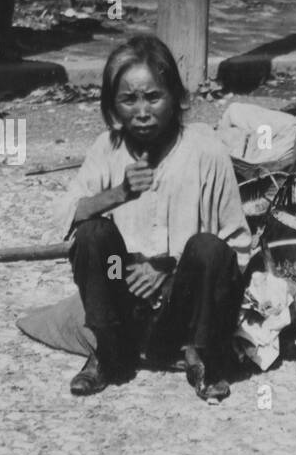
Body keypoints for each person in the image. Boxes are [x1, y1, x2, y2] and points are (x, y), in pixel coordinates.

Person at [54, 36, 252, 399]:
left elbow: (237, 247)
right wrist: (119, 194)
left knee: (209, 249)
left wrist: (171, 271)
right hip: (125, 291)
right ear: (113, 106)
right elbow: (69, 213)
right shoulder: (107, 147)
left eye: (153, 97)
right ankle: (110, 353)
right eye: (129, 99)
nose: (142, 111)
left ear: (176, 97)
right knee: (92, 235)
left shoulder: (206, 150)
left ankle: (200, 356)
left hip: (184, 300)